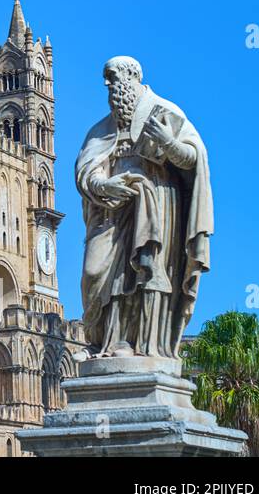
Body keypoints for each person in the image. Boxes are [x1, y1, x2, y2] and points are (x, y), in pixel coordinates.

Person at [75, 56, 212, 360]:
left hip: (158, 203)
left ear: (132, 76)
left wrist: (168, 144)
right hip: (112, 209)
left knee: (147, 273)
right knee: (94, 273)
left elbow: (194, 157)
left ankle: (140, 345)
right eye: (106, 78)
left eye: (112, 77)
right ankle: (103, 342)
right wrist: (102, 185)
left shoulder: (165, 112)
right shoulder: (101, 129)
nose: (107, 85)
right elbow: (87, 168)